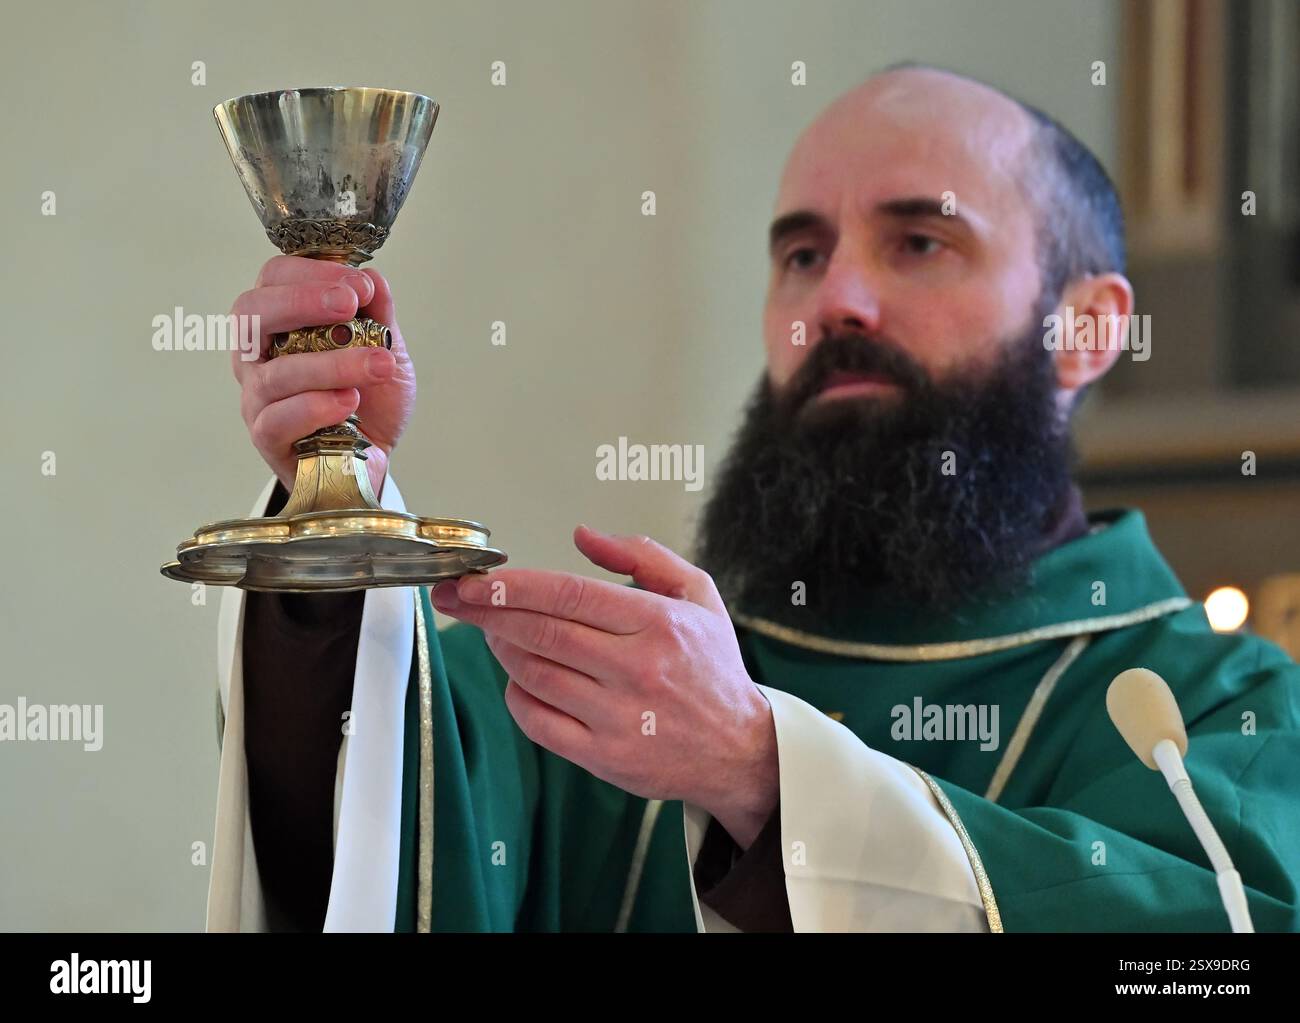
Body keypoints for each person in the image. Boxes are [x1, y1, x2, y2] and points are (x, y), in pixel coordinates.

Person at [206, 64, 1300, 932]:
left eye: (919, 242)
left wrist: (760, 774)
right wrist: (336, 514)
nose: (837, 302)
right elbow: (371, 834)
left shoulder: (1214, 711)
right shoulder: (619, 694)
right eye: (802, 254)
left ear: (1088, 328)